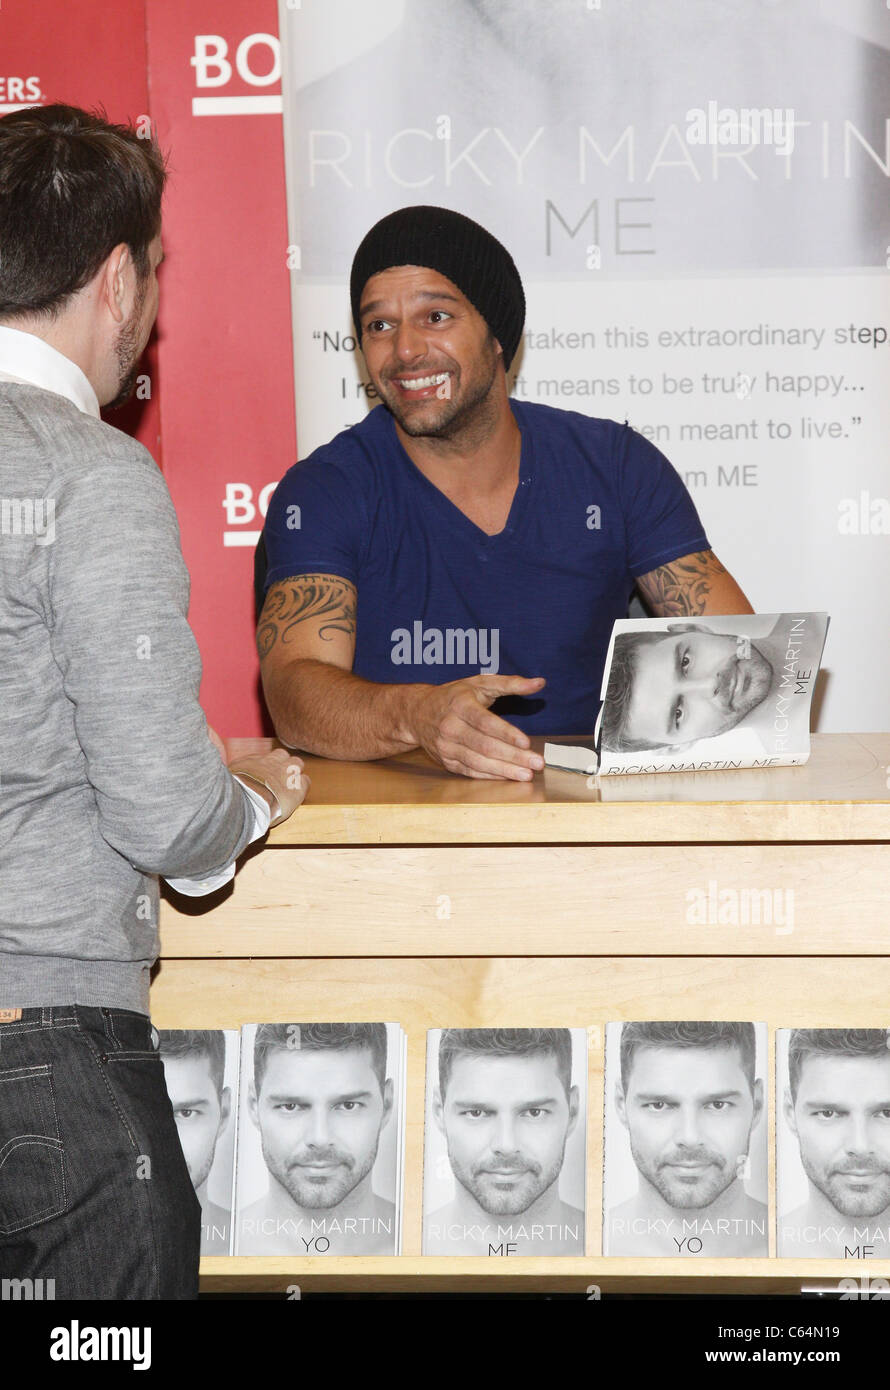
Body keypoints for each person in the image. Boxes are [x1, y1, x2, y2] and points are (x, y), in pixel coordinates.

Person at [0, 104, 307, 1300]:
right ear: (119, 277)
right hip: (43, 1052)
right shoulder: (87, 473)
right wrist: (252, 794)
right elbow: (164, 815)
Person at [256, 204, 752, 780]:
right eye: (379, 325)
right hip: (395, 835)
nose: (406, 350)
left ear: (497, 335)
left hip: (591, 823)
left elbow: (744, 654)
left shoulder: (614, 467)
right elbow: (293, 696)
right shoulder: (325, 490)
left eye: (435, 316)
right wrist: (416, 716)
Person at [607, 1021, 767, 1256]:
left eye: (717, 1105)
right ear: (622, 1105)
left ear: (757, 1105)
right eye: (659, 1105)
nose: (690, 1137)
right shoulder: (595, 1247)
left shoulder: (791, 1250)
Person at [239, 1023, 397, 1255]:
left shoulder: (423, 1248)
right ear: (254, 1106)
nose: (320, 1138)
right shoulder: (212, 1249)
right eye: (290, 1106)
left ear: (387, 1104)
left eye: (348, 1105)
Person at [424, 1028, 584, 1254]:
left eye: (534, 1112)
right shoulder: (406, 1249)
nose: (506, 1145)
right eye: (476, 1113)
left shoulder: (608, 1251)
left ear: (573, 1110)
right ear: (439, 1111)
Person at [779, 1029, 890, 1259]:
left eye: (887, 1113)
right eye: (828, 1113)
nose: (860, 1145)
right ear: (790, 1112)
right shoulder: (762, 1254)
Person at [159, 1030, 234, 1255]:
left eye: (187, 1112)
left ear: (224, 1111)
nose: (168, 1144)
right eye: (146, 1112)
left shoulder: (252, 1247)